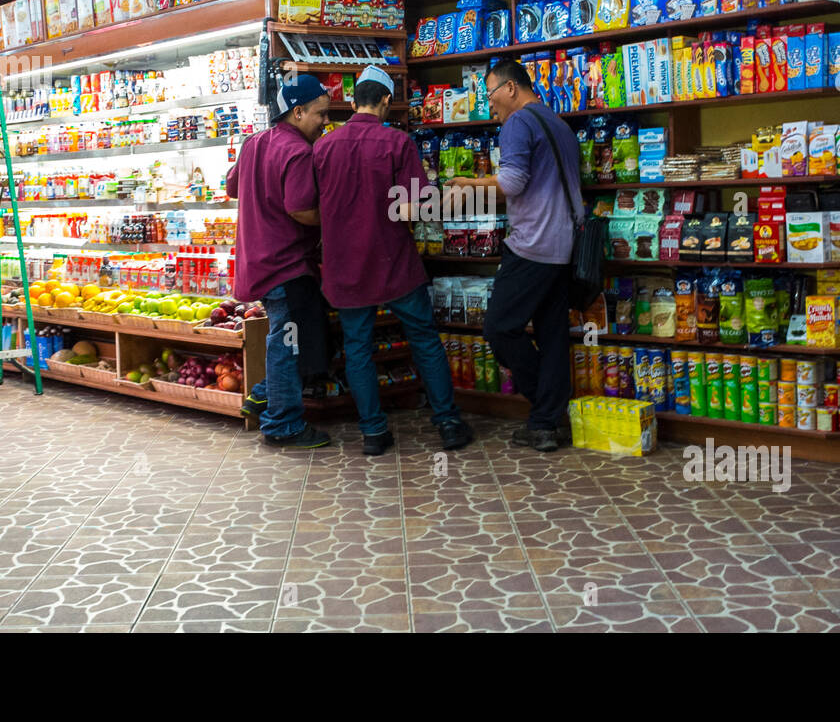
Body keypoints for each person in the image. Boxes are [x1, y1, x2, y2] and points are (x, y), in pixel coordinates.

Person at [312, 66, 473, 456]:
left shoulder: (323, 147)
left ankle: (372, 433)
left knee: (358, 348)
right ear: (385, 101)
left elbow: (312, 206)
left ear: (352, 102)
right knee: (425, 341)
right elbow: (414, 208)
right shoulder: (397, 144)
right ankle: (448, 424)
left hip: (345, 266)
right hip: (393, 262)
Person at [446, 58, 582, 452]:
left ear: (510, 88)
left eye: (489, 95)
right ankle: (547, 422)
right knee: (553, 335)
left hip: (532, 245)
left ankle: (545, 406)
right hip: (563, 247)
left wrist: (469, 184)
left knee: (499, 328)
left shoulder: (518, 123)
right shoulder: (558, 124)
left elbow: (512, 183)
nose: (489, 105)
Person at [225, 74, 332, 449]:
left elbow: (231, 186)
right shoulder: (299, 152)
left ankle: (263, 393)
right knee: (287, 343)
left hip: (257, 261)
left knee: (285, 338)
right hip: (285, 264)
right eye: (320, 114)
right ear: (297, 111)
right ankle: (283, 423)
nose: (324, 122)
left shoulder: (254, 143)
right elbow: (301, 209)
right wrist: (336, 217)